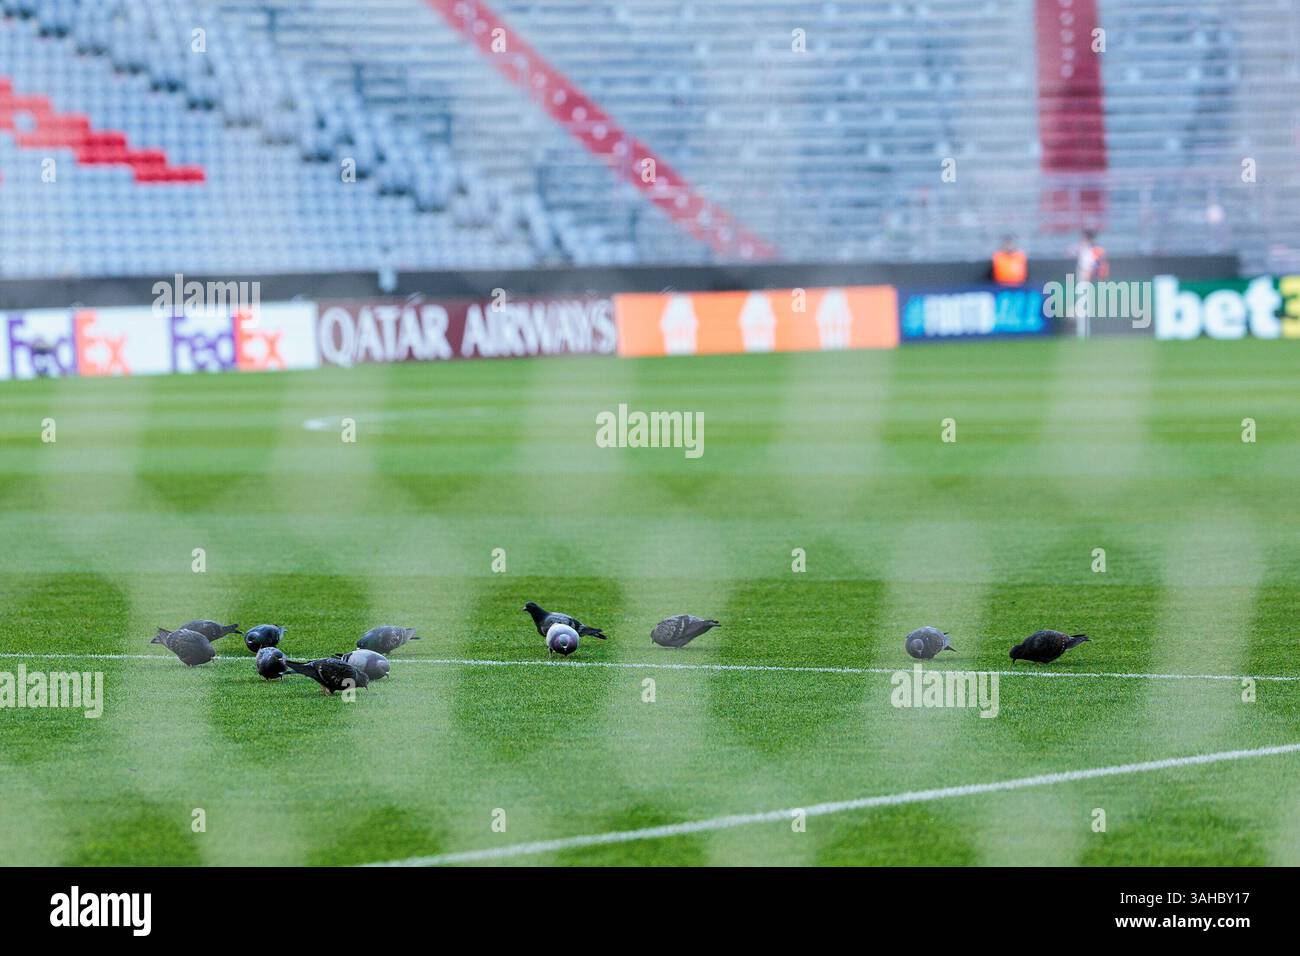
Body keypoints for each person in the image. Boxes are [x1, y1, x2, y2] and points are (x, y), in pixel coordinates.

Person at [1072, 229, 1108, 337]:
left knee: (1084, 306)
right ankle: (1083, 332)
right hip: (1085, 278)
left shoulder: (1093, 250)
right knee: (1083, 306)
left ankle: (1083, 332)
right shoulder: (1086, 249)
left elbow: (1096, 265)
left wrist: (1092, 274)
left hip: (1087, 278)